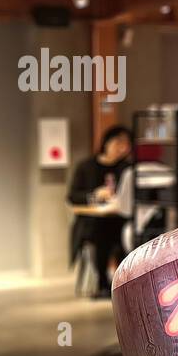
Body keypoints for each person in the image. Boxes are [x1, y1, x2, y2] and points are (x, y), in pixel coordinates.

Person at [68, 125, 133, 298]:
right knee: (101, 232)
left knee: (128, 232)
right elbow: (73, 196)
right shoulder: (87, 166)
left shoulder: (127, 168)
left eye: (126, 144)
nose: (122, 147)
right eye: (118, 142)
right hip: (93, 220)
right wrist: (94, 195)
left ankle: (124, 281)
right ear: (106, 142)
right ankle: (104, 283)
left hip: (118, 217)